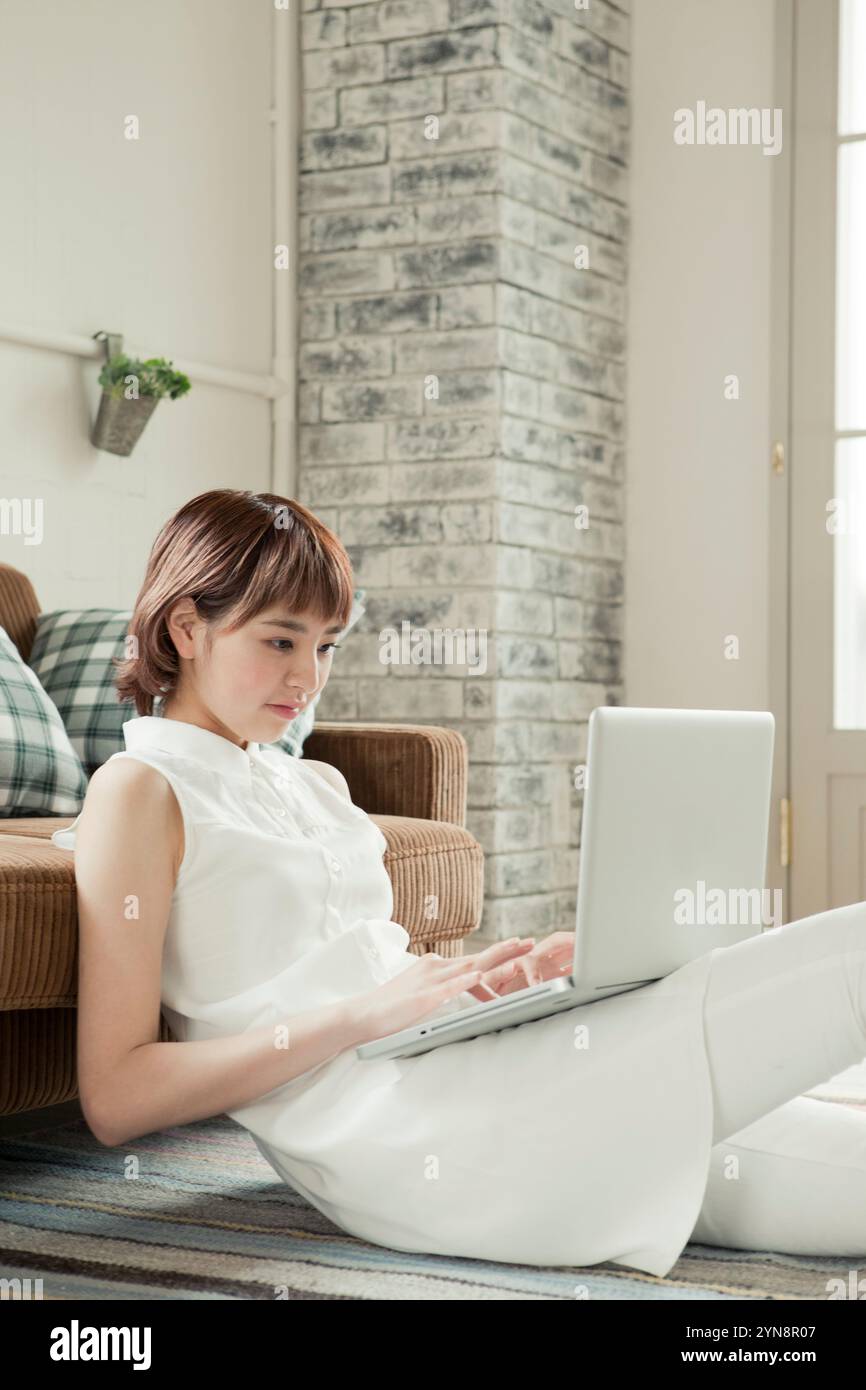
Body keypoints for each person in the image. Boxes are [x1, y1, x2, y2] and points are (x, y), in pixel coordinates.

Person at [53, 488, 866, 1278]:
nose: (308, 678)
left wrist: (494, 983)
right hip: (410, 1138)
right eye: (280, 641)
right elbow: (117, 1095)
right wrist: (357, 1018)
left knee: (780, 1123)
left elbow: (375, 969)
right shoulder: (140, 789)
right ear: (187, 627)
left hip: (474, 1069)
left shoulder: (312, 786)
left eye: (328, 645)